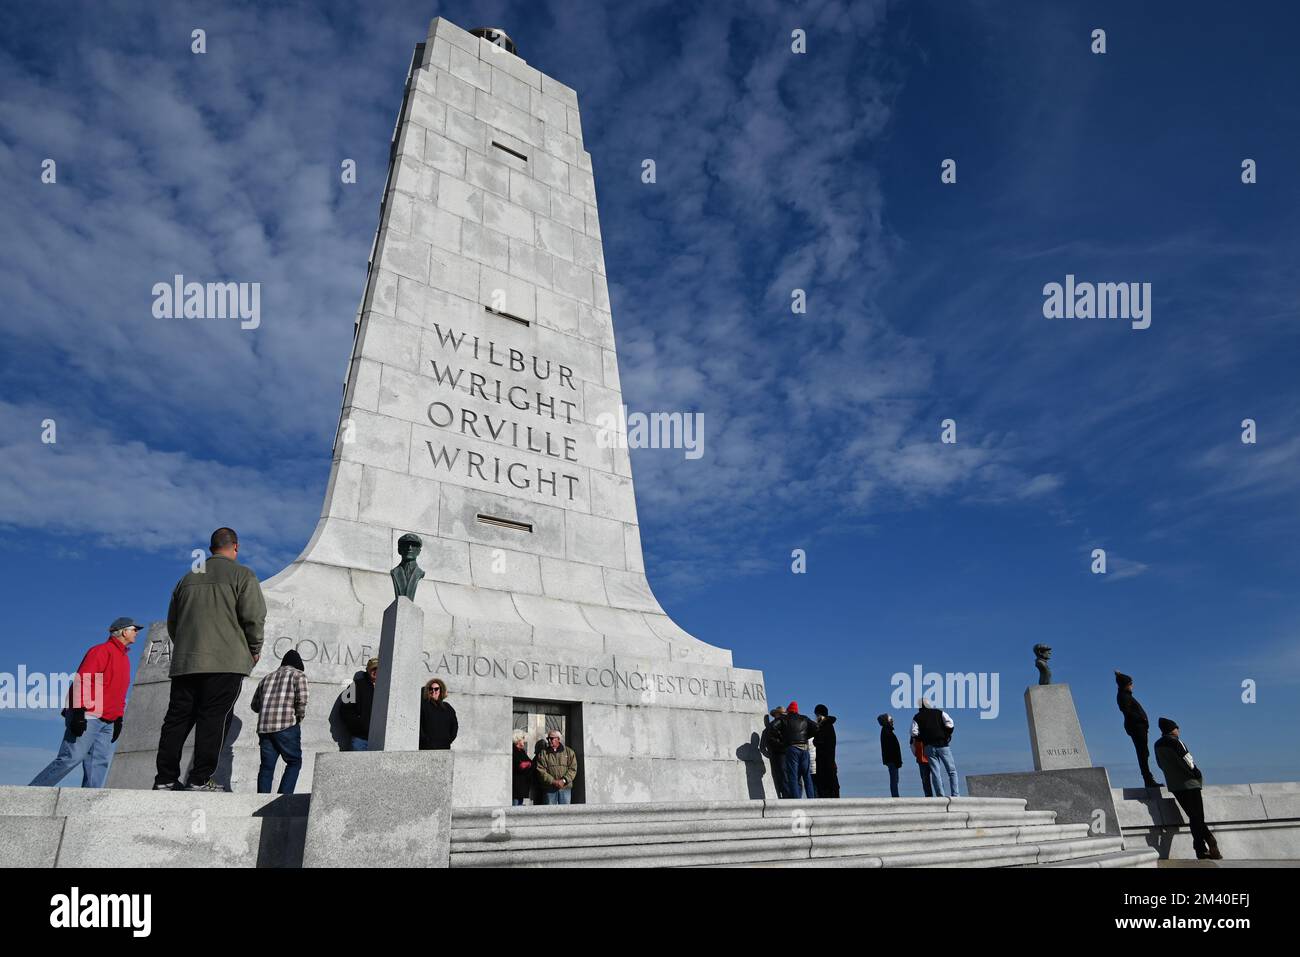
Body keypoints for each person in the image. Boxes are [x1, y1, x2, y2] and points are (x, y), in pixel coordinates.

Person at [154, 528, 265, 791]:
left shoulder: (187, 578)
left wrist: (187, 646)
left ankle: (165, 778)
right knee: (213, 720)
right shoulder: (243, 575)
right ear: (235, 547)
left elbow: (173, 623)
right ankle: (199, 779)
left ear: (211, 548)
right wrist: (254, 648)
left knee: (176, 721)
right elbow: (254, 617)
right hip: (225, 662)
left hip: (186, 663)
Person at [30, 617, 141, 788]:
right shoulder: (101, 651)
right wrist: (78, 712)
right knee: (71, 758)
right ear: (124, 631)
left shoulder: (124, 658)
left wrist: (119, 717)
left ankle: (87, 806)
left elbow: (119, 691)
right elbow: (83, 680)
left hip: (108, 720)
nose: (136, 633)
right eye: (134, 629)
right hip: (88, 715)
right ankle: (31, 793)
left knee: (98, 765)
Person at [1154, 717, 1221, 860]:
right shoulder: (1177, 742)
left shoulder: (1157, 745)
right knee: (1198, 816)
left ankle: (1200, 849)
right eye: (1176, 727)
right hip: (1190, 783)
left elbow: (1160, 764)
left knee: (1193, 816)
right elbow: (1188, 760)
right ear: (1172, 729)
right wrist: (1197, 773)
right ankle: (1210, 839)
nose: (1178, 730)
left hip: (1175, 785)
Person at [250, 649, 307, 793]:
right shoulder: (298, 675)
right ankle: (283, 799)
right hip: (287, 726)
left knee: (266, 767)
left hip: (265, 728)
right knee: (294, 762)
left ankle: (261, 802)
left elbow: (254, 705)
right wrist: (299, 718)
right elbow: (302, 700)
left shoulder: (266, 678)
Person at [1115, 671, 1161, 789]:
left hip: (1139, 727)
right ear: (1126, 685)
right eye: (1130, 683)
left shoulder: (1126, 695)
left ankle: (1149, 779)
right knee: (1142, 753)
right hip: (1136, 727)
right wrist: (1141, 720)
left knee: (1144, 753)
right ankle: (1148, 779)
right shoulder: (1124, 696)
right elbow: (1127, 712)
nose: (1132, 686)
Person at [912, 700, 958, 796]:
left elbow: (914, 733)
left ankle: (940, 795)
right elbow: (950, 724)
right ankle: (955, 794)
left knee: (935, 772)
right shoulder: (939, 712)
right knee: (951, 771)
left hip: (928, 746)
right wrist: (946, 735)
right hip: (943, 745)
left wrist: (923, 739)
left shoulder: (917, 717)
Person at [776, 701, 818, 799]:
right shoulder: (804, 718)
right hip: (804, 749)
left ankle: (796, 799)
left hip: (792, 749)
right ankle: (811, 798)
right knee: (807, 776)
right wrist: (805, 736)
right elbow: (816, 727)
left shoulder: (784, 719)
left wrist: (782, 741)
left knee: (793, 776)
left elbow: (772, 727)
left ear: (789, 710)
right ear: (797, 710)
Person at [340, 658, 379, 751]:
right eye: (373, 669)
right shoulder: (355, 686)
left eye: (378, 668)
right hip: (361, 739)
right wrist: (359, 728)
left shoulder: (387, 687)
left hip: (382, 739)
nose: (376, 671)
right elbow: (345, 709)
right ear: (368, 670)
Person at [535, 730, 578, 804]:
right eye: (548, 738)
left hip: (565, 787)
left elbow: (573, 769)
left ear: (558, 739)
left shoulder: (569, 752)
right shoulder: (543, 753)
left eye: (552, 738)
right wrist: (553, 781)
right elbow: (541, 770)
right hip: (550, 788)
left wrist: (564, 780)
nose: (549, 740)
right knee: (549, 812)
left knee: (565, 811)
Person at [418, 678, 458, 750]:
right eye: (431, 689)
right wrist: (425, 740)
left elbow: (454, 726)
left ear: (441, 690)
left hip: (444, 748)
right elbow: (419, 724)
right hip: (426, 748)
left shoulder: (448, 708)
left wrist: (448, 740)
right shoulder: (423, 706)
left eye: (436, 689)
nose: (433, 691)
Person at [812, 704, 840, 798]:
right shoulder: (829, 726)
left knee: (825, 783)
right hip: (829, 759)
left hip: (823, 760)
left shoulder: (824, 727)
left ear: (820, 715)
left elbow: (818, 741)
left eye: (816, 715)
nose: (816, 717)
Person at [761, 706, 787, 798]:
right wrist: (770, 754)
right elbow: (762, 747)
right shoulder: (770, 727)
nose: (782, 716)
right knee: (781, 777)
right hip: (778, 755)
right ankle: (784, 796)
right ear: (776, 714)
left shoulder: (787, 725)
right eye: (780, 714)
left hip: (785, 754)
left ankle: (786, 796)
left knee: (784, 777)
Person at [878, 714, 903, 798]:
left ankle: (895, 795)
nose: (892, 721)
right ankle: (895, 796)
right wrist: (896, 760)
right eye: (890, 719)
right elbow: (891, 747)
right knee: (894, 779)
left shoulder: (887, 731)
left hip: (891, 759)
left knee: (895, 779)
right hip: (892, 760)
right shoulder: (886, 731)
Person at [511, 731, 534, 806]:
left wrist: (528, 764)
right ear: (518, 740)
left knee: (519, 805)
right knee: (515, 807)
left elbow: (530, 763)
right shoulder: (513, 750)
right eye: (523, 738)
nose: (524, 740)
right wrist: (527, 764)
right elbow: (520, 765)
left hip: (522, 786)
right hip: (516, 786)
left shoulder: (521, 751)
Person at [911, 730, 933, 796]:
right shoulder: (915, 733)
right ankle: (930, 795)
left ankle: (930, 795)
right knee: (926, 779)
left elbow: (912, 745)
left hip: (925, 758)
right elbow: (912, 745)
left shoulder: (914, 732)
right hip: (923, 758)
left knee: (926, 779)